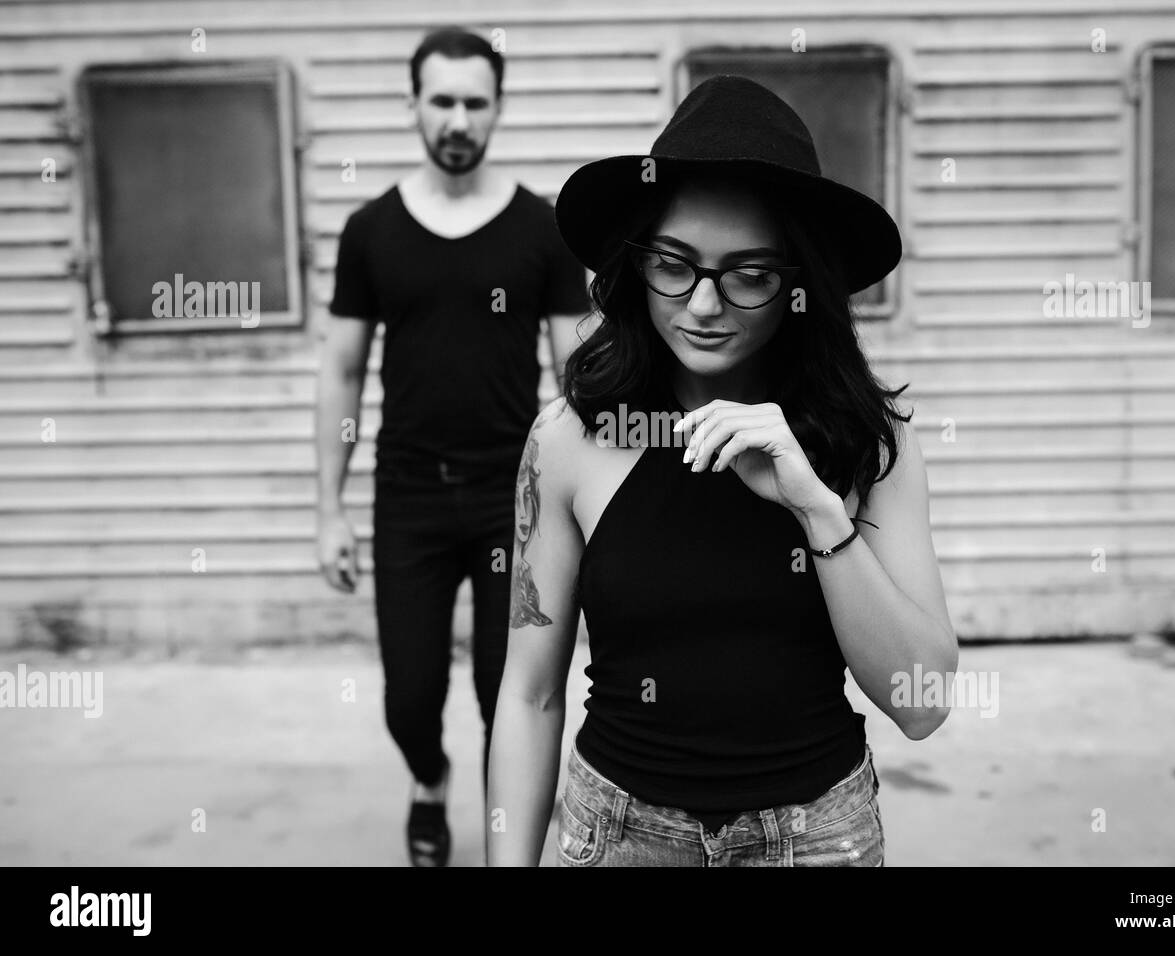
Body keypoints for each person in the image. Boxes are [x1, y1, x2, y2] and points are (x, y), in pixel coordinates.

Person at [486, 75, 958, 867]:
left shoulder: (869, 440)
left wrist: (815, 507)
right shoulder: (569, 439)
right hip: (622, 837)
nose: (704, 304)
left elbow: (926, 702)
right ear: (638, 267)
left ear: (798, 284)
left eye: (748, 273)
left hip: (817, 840)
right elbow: (530, 694)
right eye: (675, 263)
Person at [316, 26, 590, 867]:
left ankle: (502, 835)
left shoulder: (542, 228)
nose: (459, 118)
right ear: (413, 107)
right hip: (408, 497)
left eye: (476, 101)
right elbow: (341, 372)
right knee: (411, 695)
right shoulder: (371, 231)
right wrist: (326, 509)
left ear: (499, 108)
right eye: (443, 100)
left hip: (515, 500)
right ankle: (428, 781)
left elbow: (578, 374)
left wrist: (598, 503)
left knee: (502, 691)